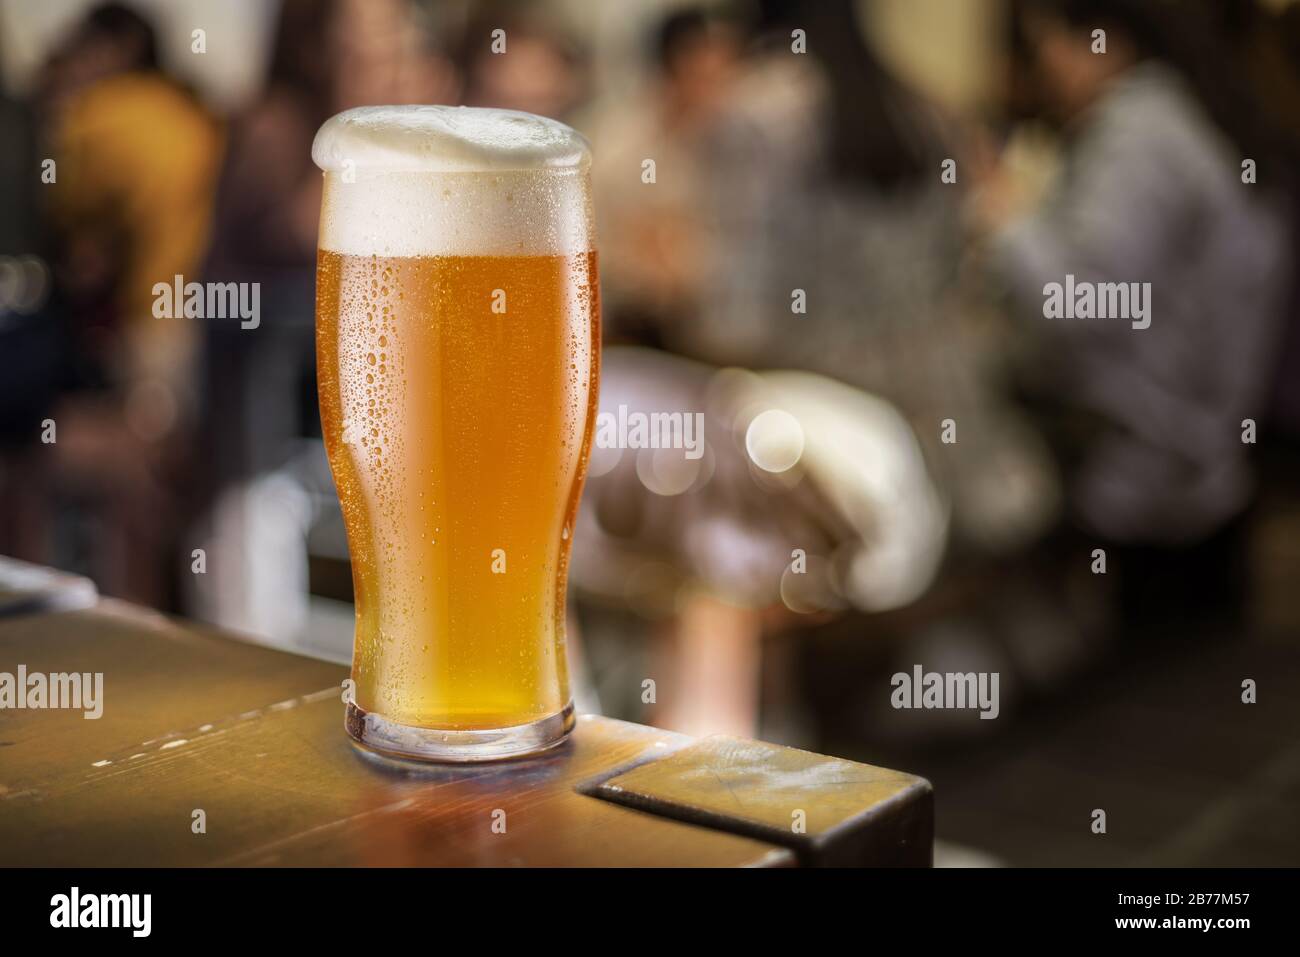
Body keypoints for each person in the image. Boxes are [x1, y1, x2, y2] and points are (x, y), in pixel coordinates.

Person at [973, 0, 1294, 626]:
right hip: (1205, 472)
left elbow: (1076, 305)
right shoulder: (1196, 111)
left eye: (1049, 49)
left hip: (1142, 480)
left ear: (1104, 42)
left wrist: (1003, 215)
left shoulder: (1139, 132)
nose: (1047, 73)